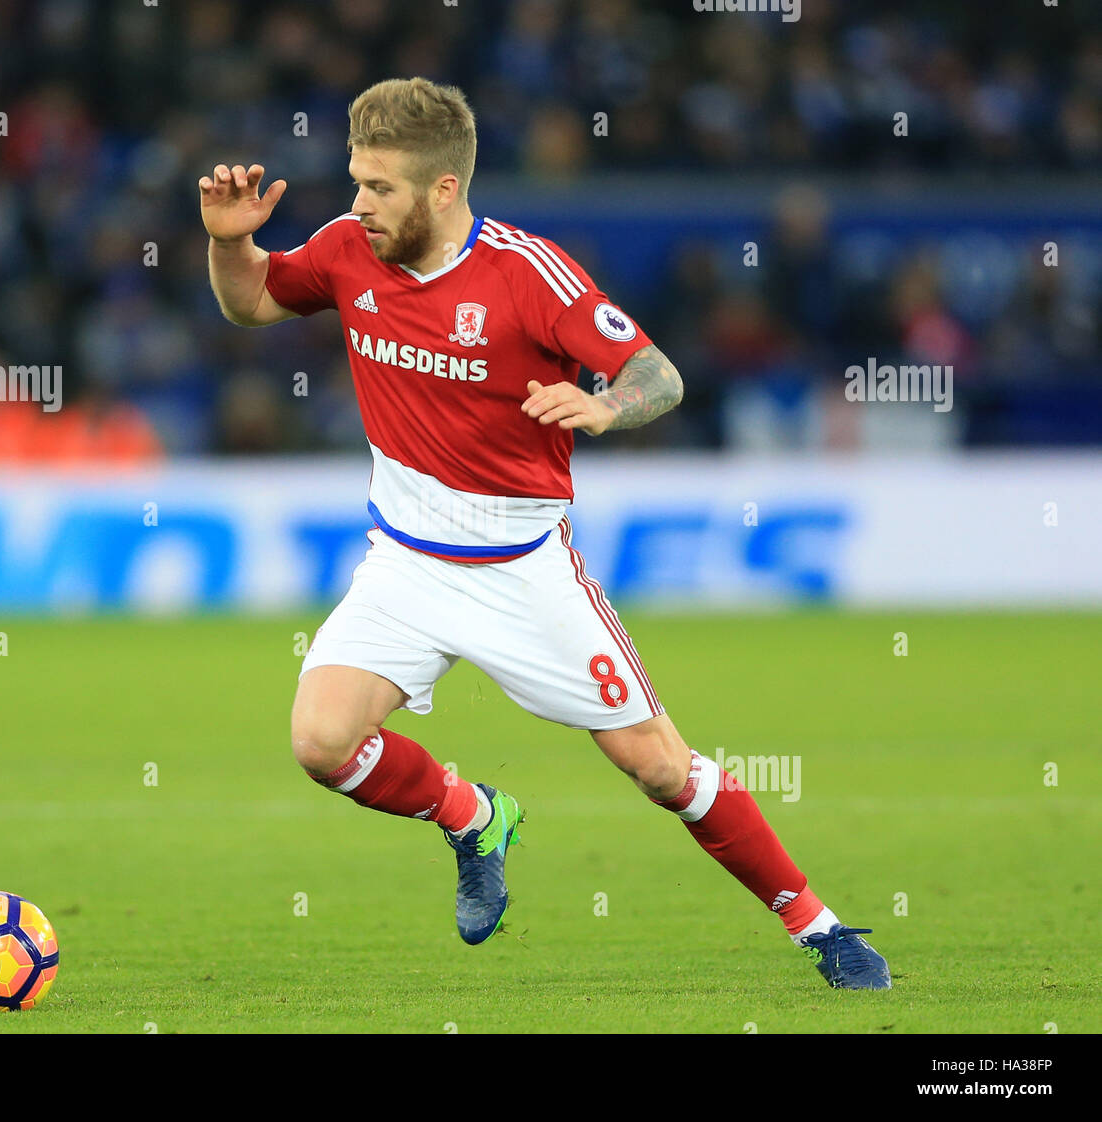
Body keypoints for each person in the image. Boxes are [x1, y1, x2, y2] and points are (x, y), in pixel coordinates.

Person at [199, 77, 889, 988]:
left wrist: (604, 408)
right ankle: (472, 815)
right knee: (321, 743)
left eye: (380, 188)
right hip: (403, 565)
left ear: (444, 190)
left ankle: (821, 927)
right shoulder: (344, 251)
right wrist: (230, 241)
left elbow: (658, 374)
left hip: (525, 571)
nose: (358, 205)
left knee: (660, 769)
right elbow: (248, 304)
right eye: (357, 181)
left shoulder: (527, 275)